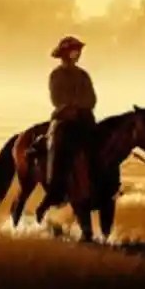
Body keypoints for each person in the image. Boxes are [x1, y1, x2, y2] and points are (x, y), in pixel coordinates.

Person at [46, 35, 97, 203]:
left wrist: (83, 107)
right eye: (74, 51)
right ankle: (55, 186)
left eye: (78, 51)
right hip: (64, 118)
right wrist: (70, 107)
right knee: (58, 145)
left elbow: (91, 98)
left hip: (84, 117)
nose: (77, 54)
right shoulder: (56, 75)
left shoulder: (83, 75)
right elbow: (56, 99)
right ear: (65, 54)